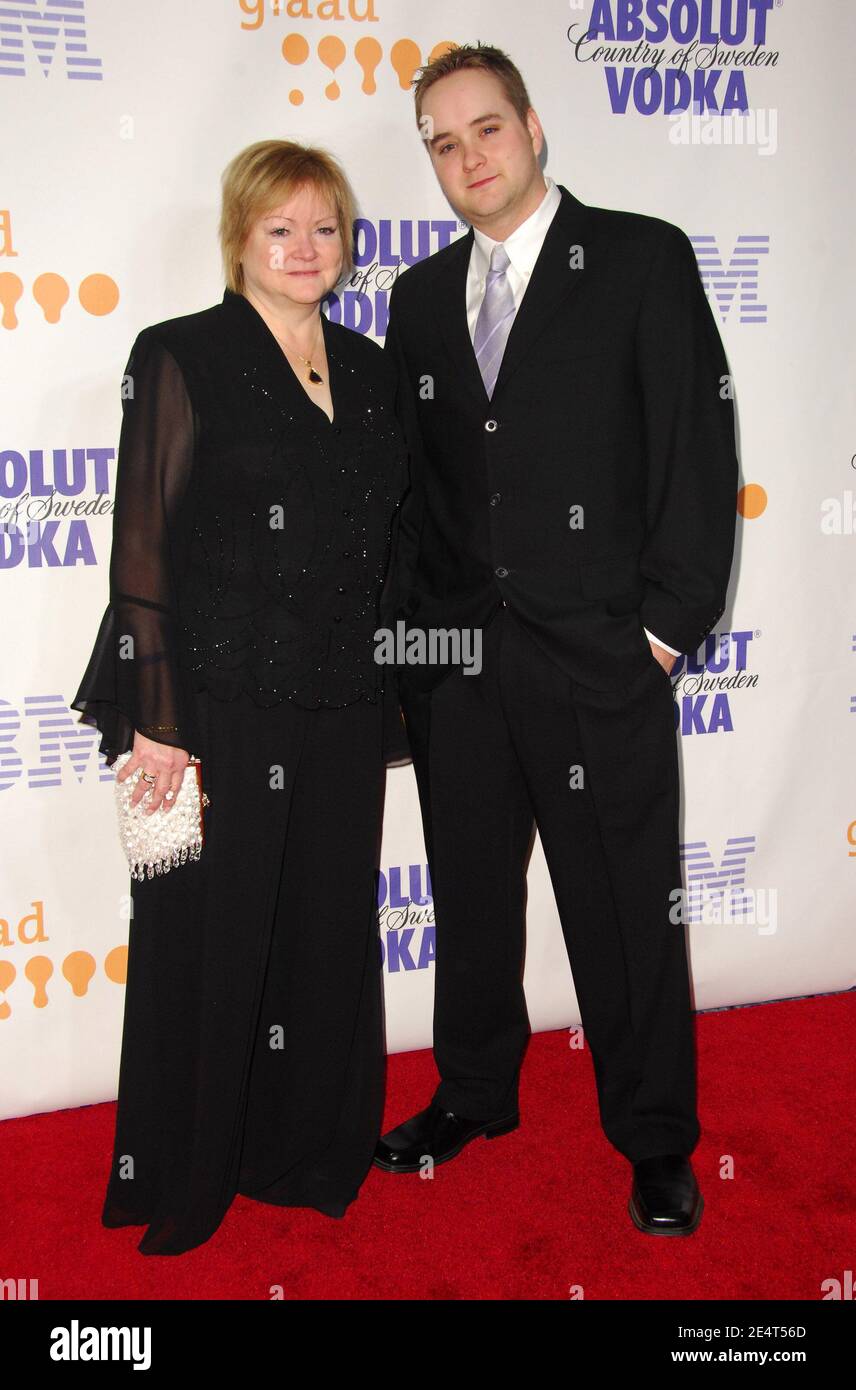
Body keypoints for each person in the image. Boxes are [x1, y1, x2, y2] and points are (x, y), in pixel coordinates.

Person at [374, 44, 738, 1235]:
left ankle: (652, 1137)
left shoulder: (639, 259)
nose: (466, 156)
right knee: (471, 903)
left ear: (532, 129)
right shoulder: (417, 299)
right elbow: (419, 496)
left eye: (484, 128)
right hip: (461, 670)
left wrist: (664, 634)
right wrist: (416, 657)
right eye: (441, 141)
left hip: (600, 659)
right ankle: (475, 1092)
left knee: (624, 911)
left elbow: (696, 454)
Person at [72, 139, 408, 1255]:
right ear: (239, 240)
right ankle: (192, 1163)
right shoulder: (182, 354)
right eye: (281, 229)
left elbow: (393, 541)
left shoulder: (369, 369)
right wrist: (158, 720)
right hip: (218, 699)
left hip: (342, 697)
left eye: (325, 227)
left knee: (320, 927)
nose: (306, 249)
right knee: (210, 936)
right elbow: (144, 549)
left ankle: (306, 1149)